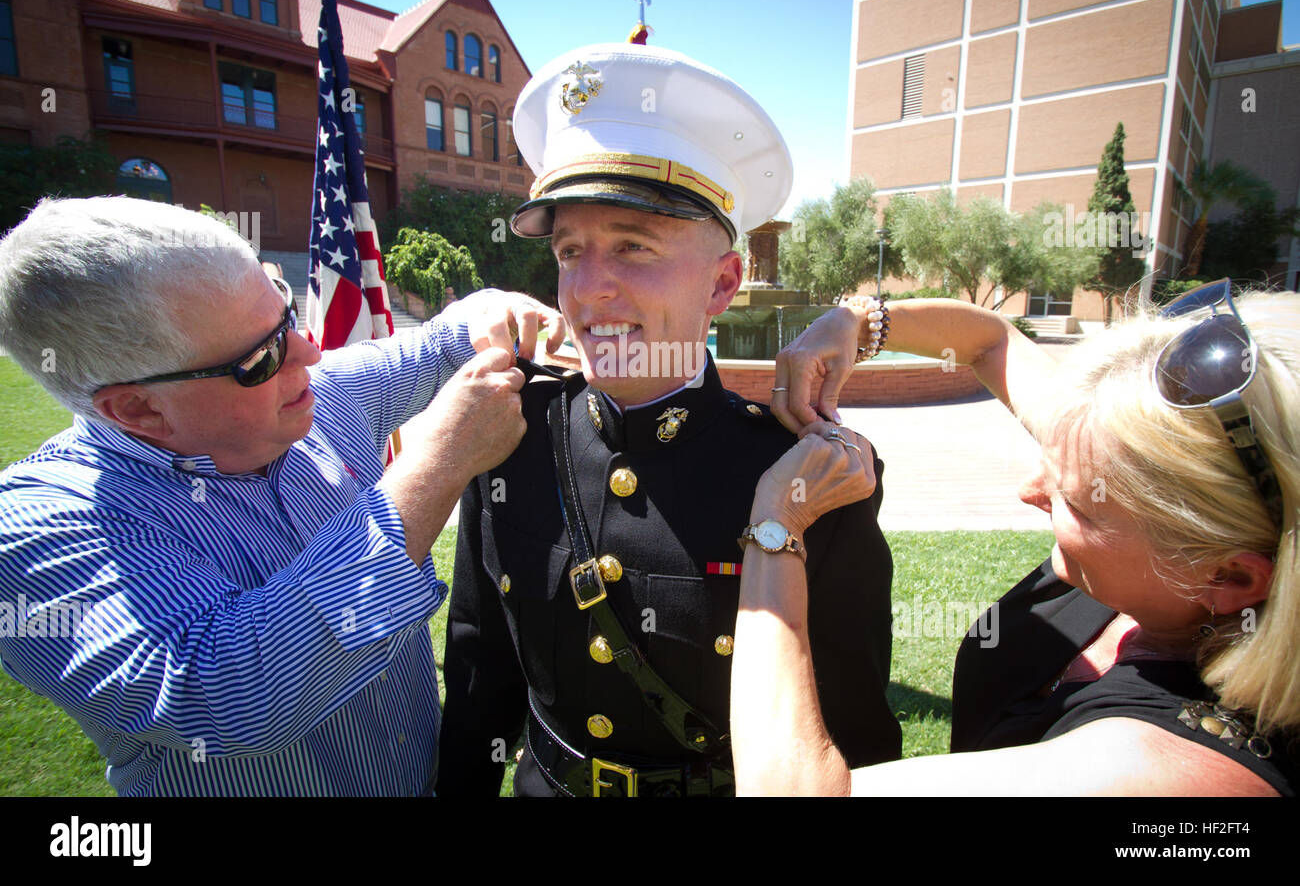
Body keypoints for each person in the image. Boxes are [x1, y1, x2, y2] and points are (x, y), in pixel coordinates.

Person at [436, 40, 901, 796]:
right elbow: (478, 674)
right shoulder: (510, 434)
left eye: (633, 247)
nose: (590, 290)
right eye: (570, 250)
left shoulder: (803, 472)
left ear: (724, 283)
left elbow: (856, 729)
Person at [0, 196, 562, 795]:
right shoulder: (38, 525)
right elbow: (240, 692)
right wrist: (441, 461)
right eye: (258, 358)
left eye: (285, 316)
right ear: (138, 408)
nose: (310, 354)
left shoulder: (309, 395)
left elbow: (447, 336)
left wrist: (496, 311)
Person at [730, 286, 1299, 795]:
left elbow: (791, 791)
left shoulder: (1181, 774)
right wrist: (856, 321)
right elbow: (989, 341)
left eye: (1076, 502)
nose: (1031, 492)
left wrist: (777, 523)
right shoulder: (1139, 491)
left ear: (1229, 577)